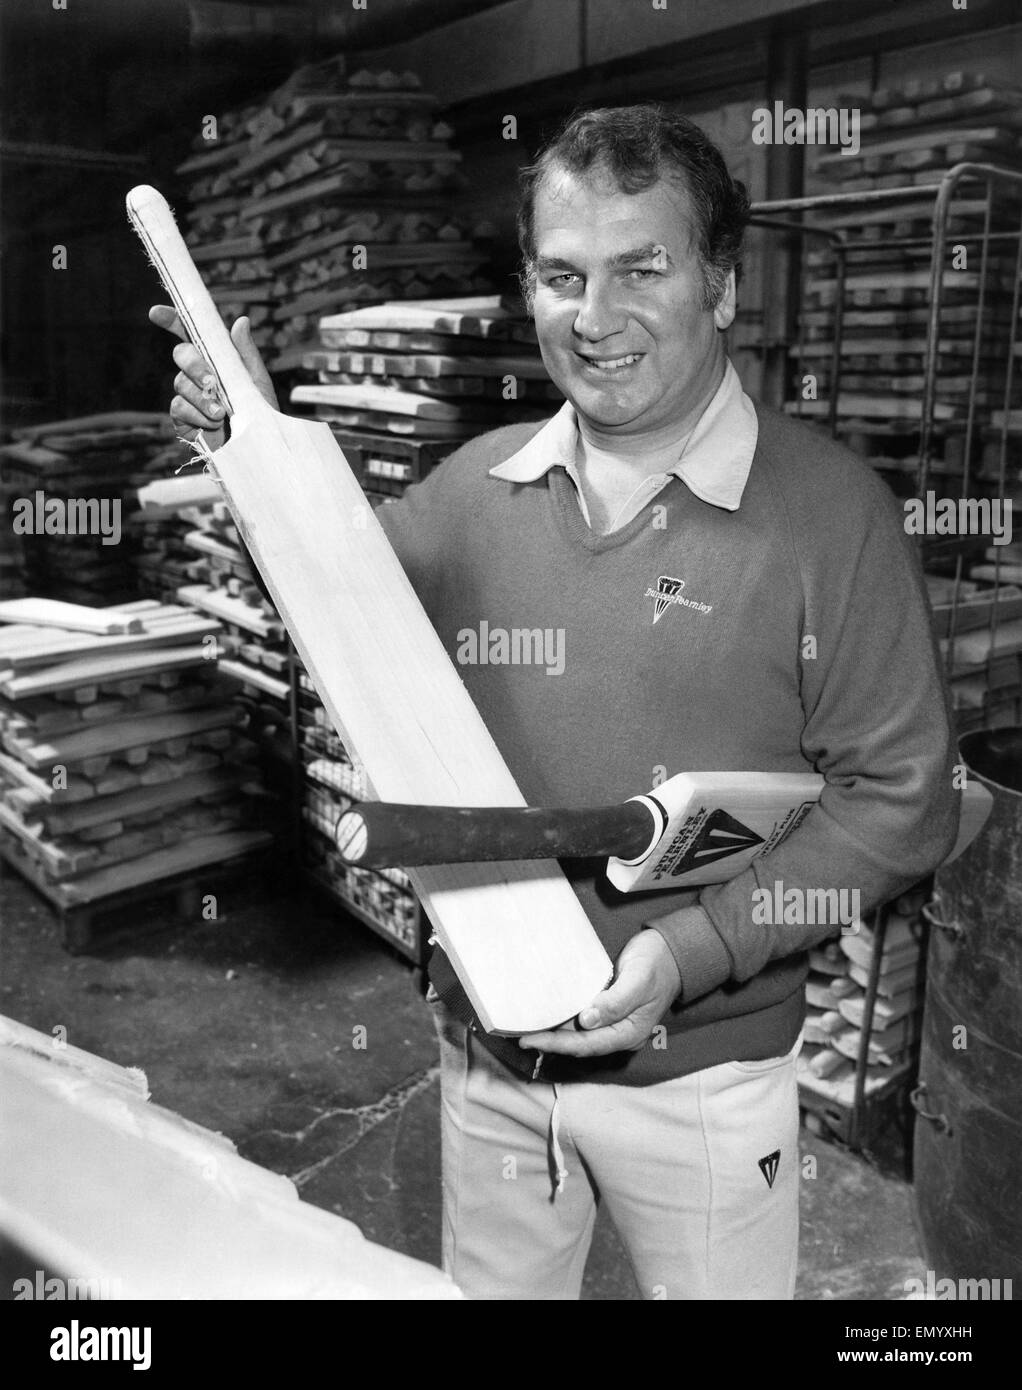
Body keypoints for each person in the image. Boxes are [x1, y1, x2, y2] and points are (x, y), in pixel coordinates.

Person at [154, 104, 958, 1301]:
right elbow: (343, 604)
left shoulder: (828, 518)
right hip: (489, 1063)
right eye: (561, 275)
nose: (596, 318)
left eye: (643, 268)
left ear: (722, 288)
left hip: (698, 1082)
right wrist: (258, 454)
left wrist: (691, 951)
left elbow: (900, 802)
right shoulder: (476, 489)